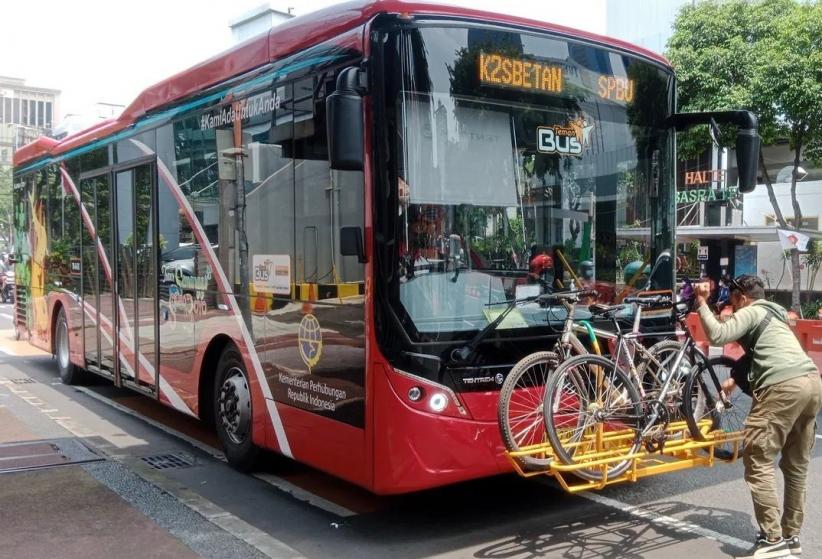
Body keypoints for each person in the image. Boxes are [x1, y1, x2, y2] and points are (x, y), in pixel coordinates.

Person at [693, 275, 821, 559]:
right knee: (797, 465)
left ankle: (772, 538)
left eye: (733, 299)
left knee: (758, 458)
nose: (732, 306)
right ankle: (790, 536)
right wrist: (734, 382)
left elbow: (717, 335)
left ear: (742, 296)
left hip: (782, 387)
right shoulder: (777, 316)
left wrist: (701, 300)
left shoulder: (752, 310)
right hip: (811, 382)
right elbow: (760, 356)